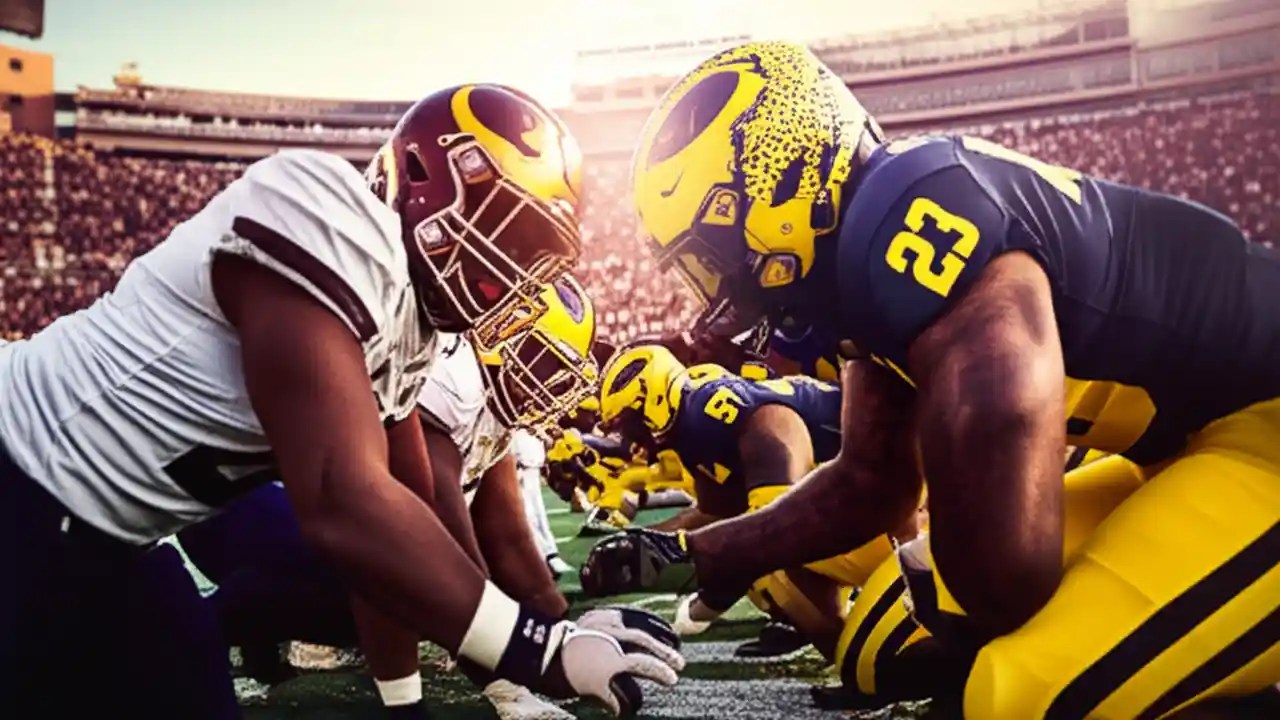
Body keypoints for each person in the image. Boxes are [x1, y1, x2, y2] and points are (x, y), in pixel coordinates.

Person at [589, 40, 1280, 718]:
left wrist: (958, 592)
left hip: (1265, 432)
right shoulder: (871, 254)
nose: (716, 295)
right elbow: (870, 483)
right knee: (878, 649)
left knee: (1021, 696)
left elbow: (1010, 575)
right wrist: (696, 551)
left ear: (778, 195)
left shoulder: (908, 229)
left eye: (710, 260)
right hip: (1174, 451)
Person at [0, 84, 679, 718]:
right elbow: (344, 501)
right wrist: (539, 649)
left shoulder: (407, 333)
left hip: (119, 538)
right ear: (427, 182)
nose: (510, 277)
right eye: (509, 235)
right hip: (18, 478)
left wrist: (506, 665)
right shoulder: (325, 208)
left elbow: (409, 529)